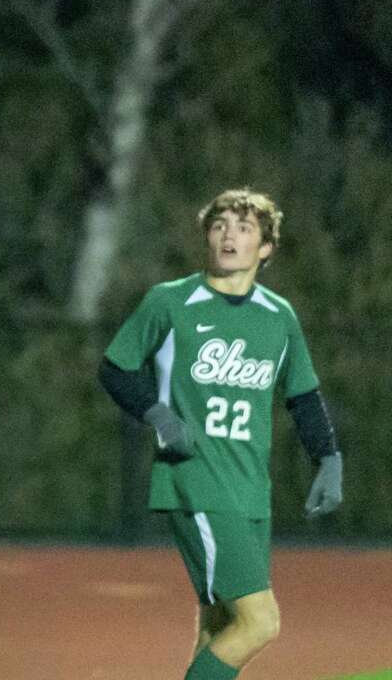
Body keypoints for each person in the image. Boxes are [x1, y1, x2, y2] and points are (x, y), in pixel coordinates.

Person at [98, 188, 342, 680]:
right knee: (260, 621)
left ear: (266, 247)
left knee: (221, 623)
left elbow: (303, 396)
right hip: (195, 480)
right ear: (206, 236)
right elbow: (116, 368)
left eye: (245, 227)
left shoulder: (279, 316)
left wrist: (328, 458)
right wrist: (160, 416)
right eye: (219, 225)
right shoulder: (171, 301)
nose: (229, 234)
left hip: (251, 488)